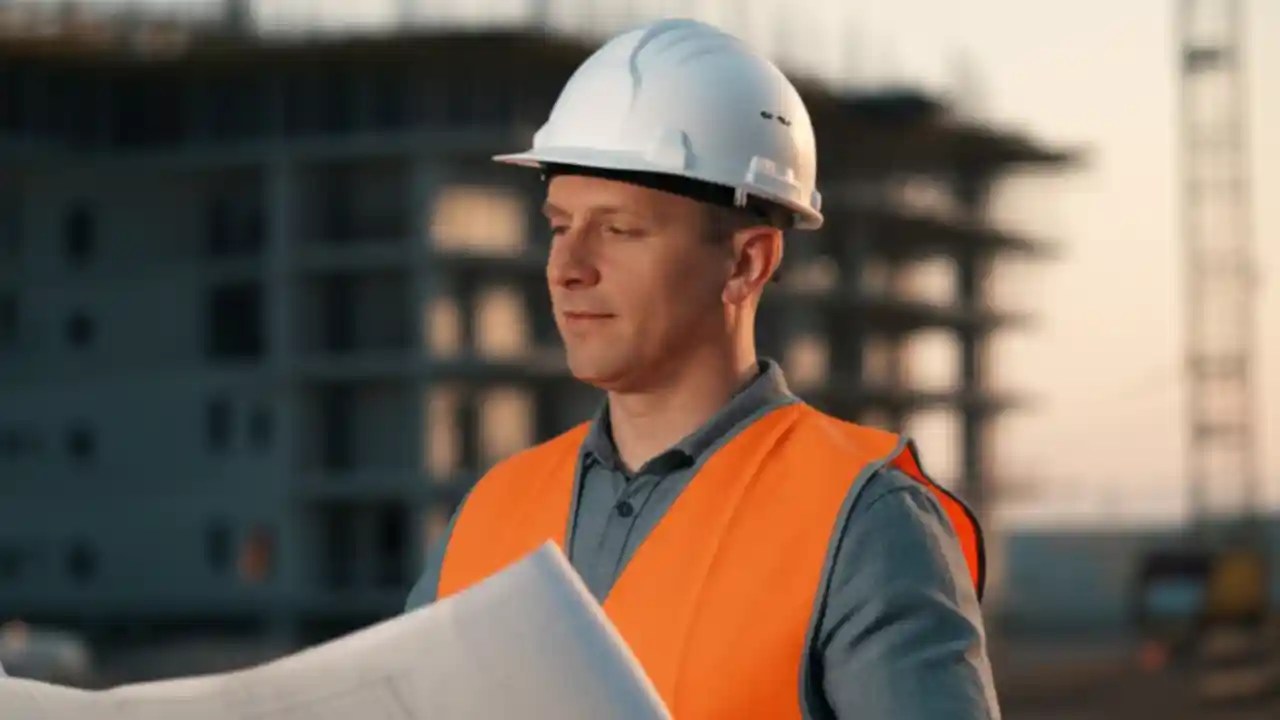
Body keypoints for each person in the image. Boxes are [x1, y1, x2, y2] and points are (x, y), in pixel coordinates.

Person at [406, 18, 1000, 719]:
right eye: (559, 226)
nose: (568, 269)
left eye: (619, 229)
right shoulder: (489, 515)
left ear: (746, 263)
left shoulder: (865, 524)